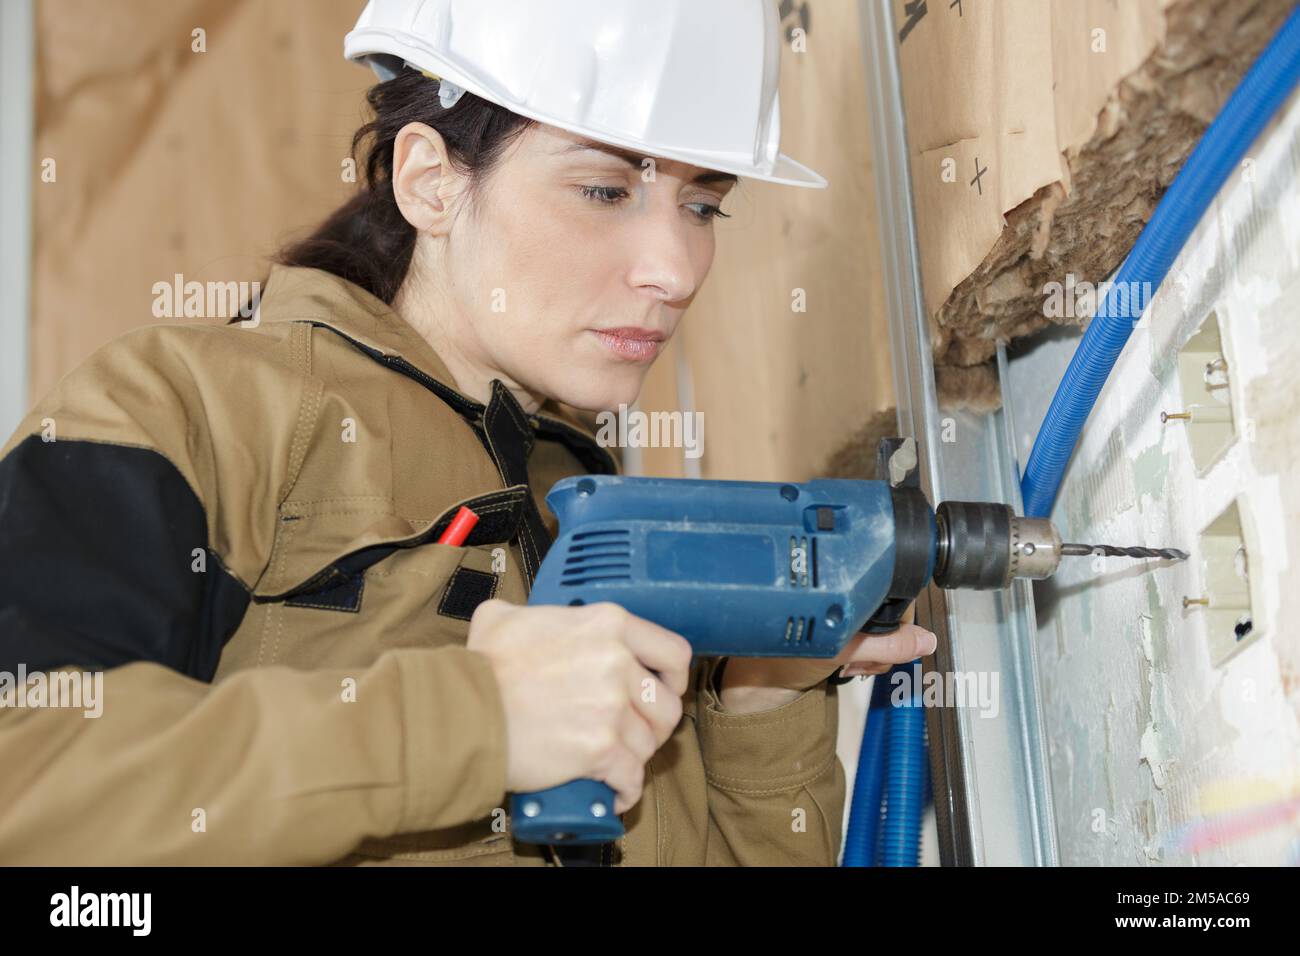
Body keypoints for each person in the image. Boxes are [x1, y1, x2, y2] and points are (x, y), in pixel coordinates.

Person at [0, 0, 936, 866]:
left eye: (702, 203)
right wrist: (477, 719)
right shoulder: (190, 404)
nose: (675, 267)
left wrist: (763, 702)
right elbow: (28, 780)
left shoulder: (591, 506)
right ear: (431, 182)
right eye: (605, 190)